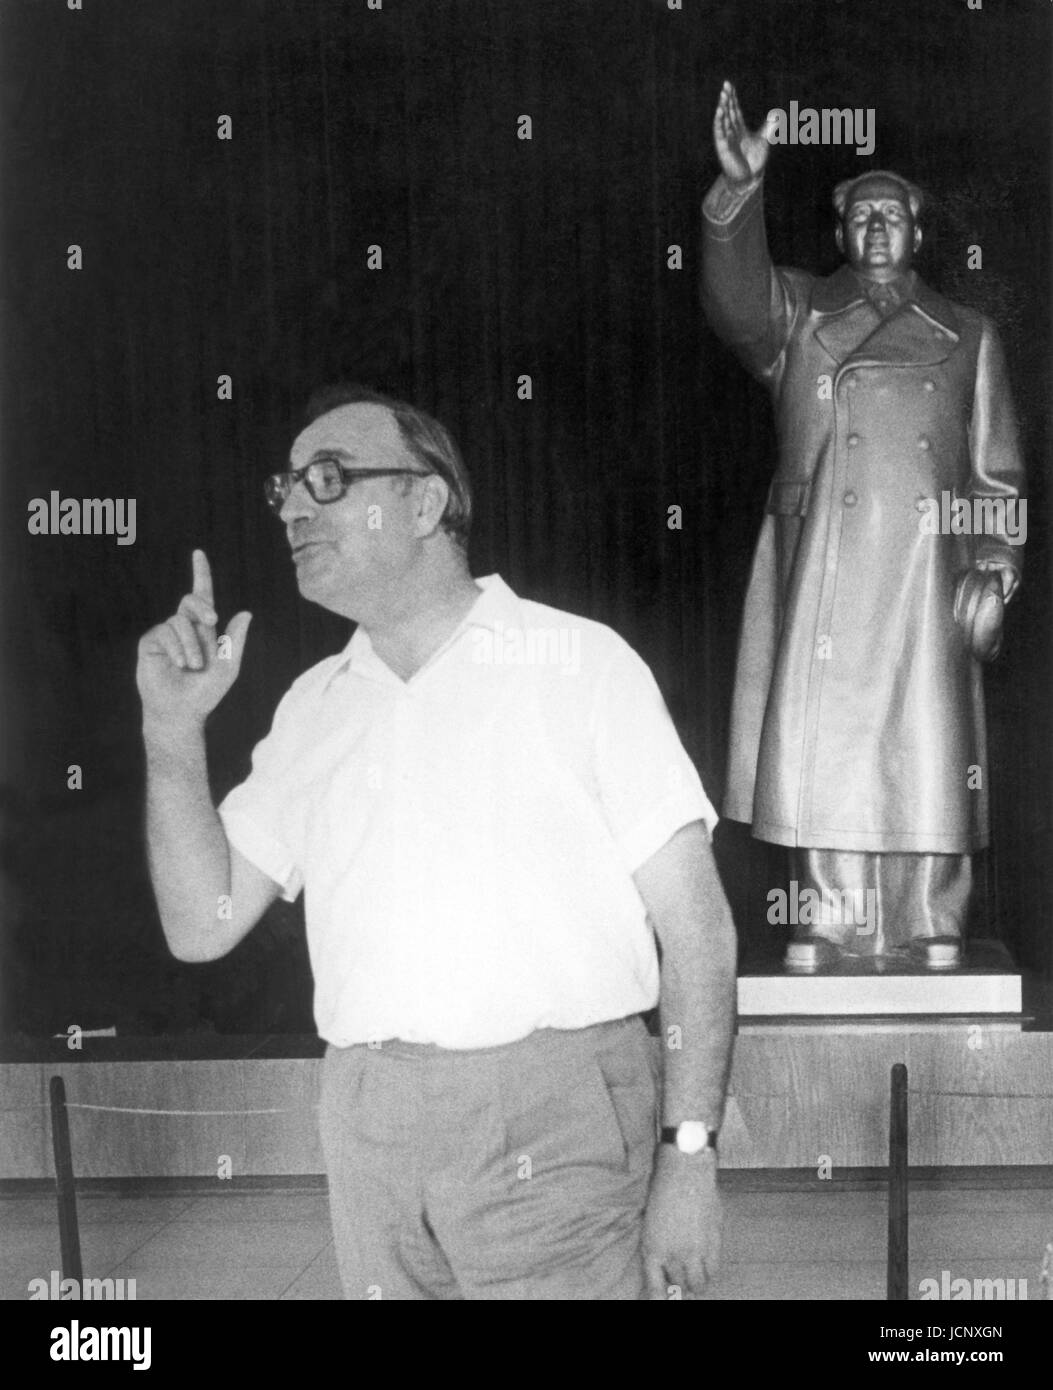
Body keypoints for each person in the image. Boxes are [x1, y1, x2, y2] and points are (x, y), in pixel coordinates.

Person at [137, 384, 736, 1300]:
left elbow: (697, 931)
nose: (293, 506)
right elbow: (201, 925)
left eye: (327, 479)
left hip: (555, 1121)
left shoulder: (580, 665)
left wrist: (689, 1156)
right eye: (285, 488)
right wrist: (172, 737)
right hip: (369, 1127)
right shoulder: (314, 705)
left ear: (425, 500)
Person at [701, 82, 1026, 974]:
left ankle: (932, 918)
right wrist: (737, 195)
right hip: (824, 567)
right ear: (841, 234)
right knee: (832, 739)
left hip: (928, 568)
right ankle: (831, 916)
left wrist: (994, 569)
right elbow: (732, 301)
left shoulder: (968, 334)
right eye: (861, 217)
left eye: (893, 216)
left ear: (918, 235)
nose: (877, 229)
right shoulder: (799, 319)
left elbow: (996, 475)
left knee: (925, 742)